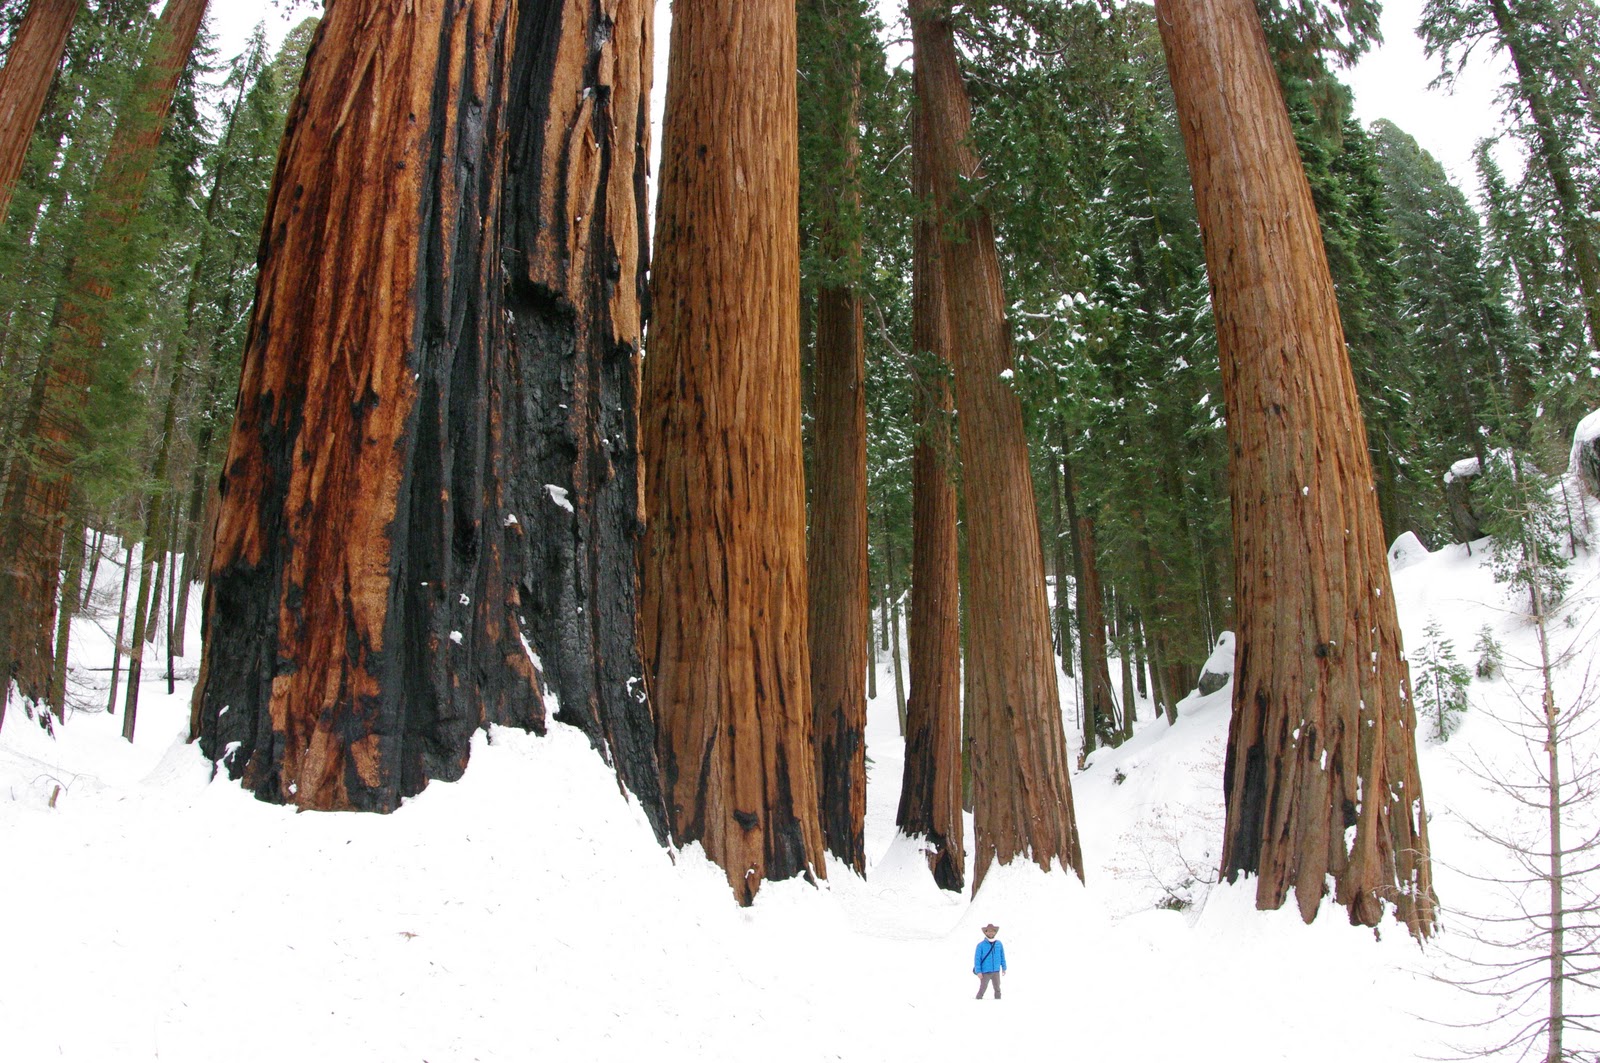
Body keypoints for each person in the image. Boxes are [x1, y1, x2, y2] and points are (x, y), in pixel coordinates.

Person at [973, 923, 1006, 999]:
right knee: (982, 989)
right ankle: (977, 1002)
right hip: (985, 972)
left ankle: (998, 1002)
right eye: (989, 931)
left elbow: (1002, 956)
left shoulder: (999, 944)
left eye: (993, 931)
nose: (991, 933)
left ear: (995, 932)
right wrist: (978, 971)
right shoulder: (980, 945)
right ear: (986, 932)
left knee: (997, 989)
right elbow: (977, 959)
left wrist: (1004, 967)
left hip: (996, 971)